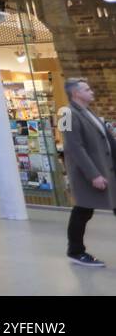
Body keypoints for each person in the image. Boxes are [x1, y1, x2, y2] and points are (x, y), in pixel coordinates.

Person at [60, 78, 116, 266]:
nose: (92, 91)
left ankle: (75, 250)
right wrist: (93, 175)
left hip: (106, 170)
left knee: (84, 210)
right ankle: (75, 251)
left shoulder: (88, 111)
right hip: (89, 174)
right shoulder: (66, 114)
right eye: (87, 89)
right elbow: (73, 147)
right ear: (76, 93)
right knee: (83, 210)